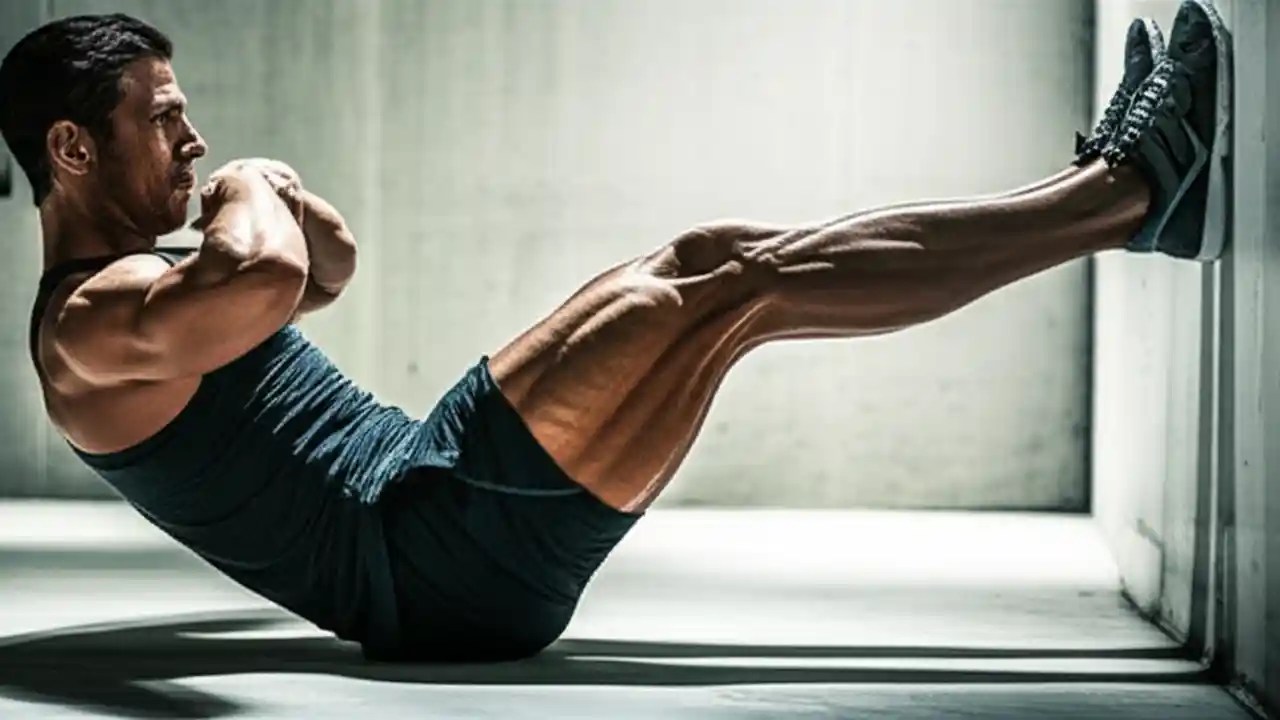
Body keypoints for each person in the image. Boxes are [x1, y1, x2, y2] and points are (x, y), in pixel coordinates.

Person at [0, 1, 1230, 662]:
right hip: (431, 563)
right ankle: (1122, 193)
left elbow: (321, 273)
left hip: (430, 485)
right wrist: (248, 190)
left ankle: (1116, 200)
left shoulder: (154, 294)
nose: (193, 140)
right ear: (71, 149)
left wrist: (269, 203)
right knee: (737, 281)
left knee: (716, 267)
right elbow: (268, 277)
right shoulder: (91, 329)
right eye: (164, 119)